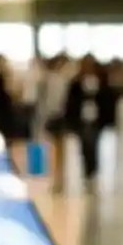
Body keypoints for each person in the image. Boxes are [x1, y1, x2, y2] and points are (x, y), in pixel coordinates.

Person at [64, 55, 116, 191]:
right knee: (84, 145)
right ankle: (87, 172)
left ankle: (93, 171)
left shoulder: (102, 82)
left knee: (94, 144)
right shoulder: (76, 83)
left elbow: (107, 100)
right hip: (82, 120)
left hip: (96, 120)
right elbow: (71, 103)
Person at [37, 55, 74, 193]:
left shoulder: (54, 79)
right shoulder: (56, 80)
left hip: (54, 116)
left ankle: (58, 180)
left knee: (57, 150)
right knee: (56, 150)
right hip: (54, 116)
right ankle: (57, 179)